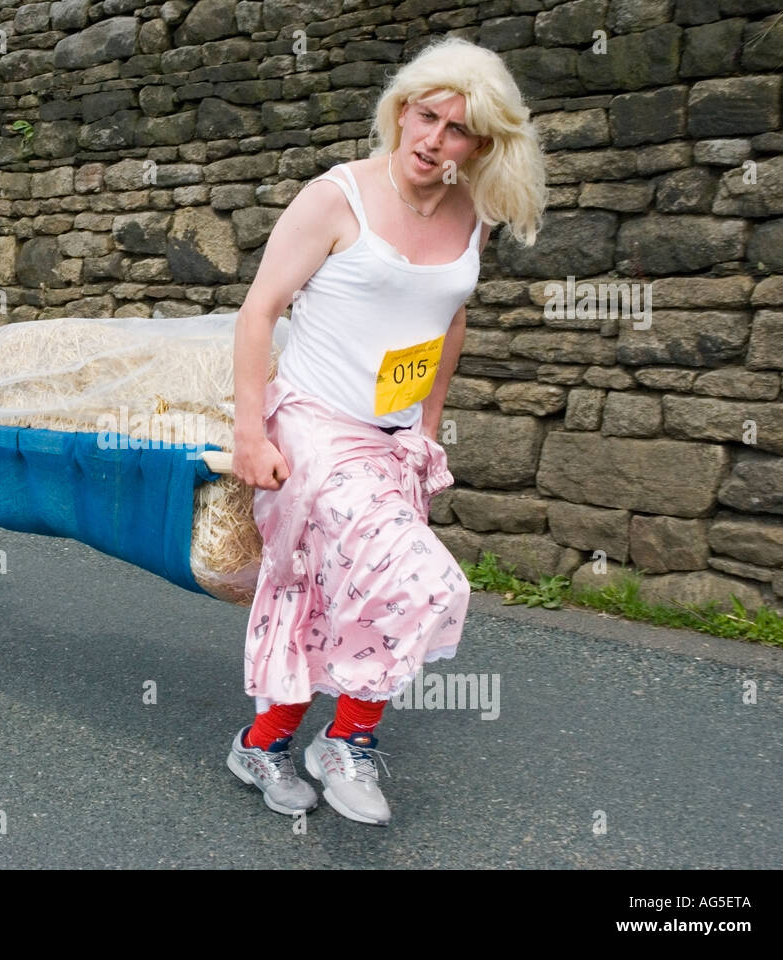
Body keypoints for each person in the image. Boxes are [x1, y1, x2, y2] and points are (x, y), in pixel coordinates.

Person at [227, 37, 547, 823]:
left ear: (483, 143)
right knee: (425, 583)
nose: (433, 139)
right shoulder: (337, 198)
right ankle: (349, 741)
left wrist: (428, 427)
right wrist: (249, 434)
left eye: (457, 129)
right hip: (312, 428)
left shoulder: (473, 213)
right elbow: (259, 311)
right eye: (425, 115)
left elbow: (449, 318)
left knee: (332, 594)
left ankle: (263, 744)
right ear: (400, 110)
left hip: (392, 441)